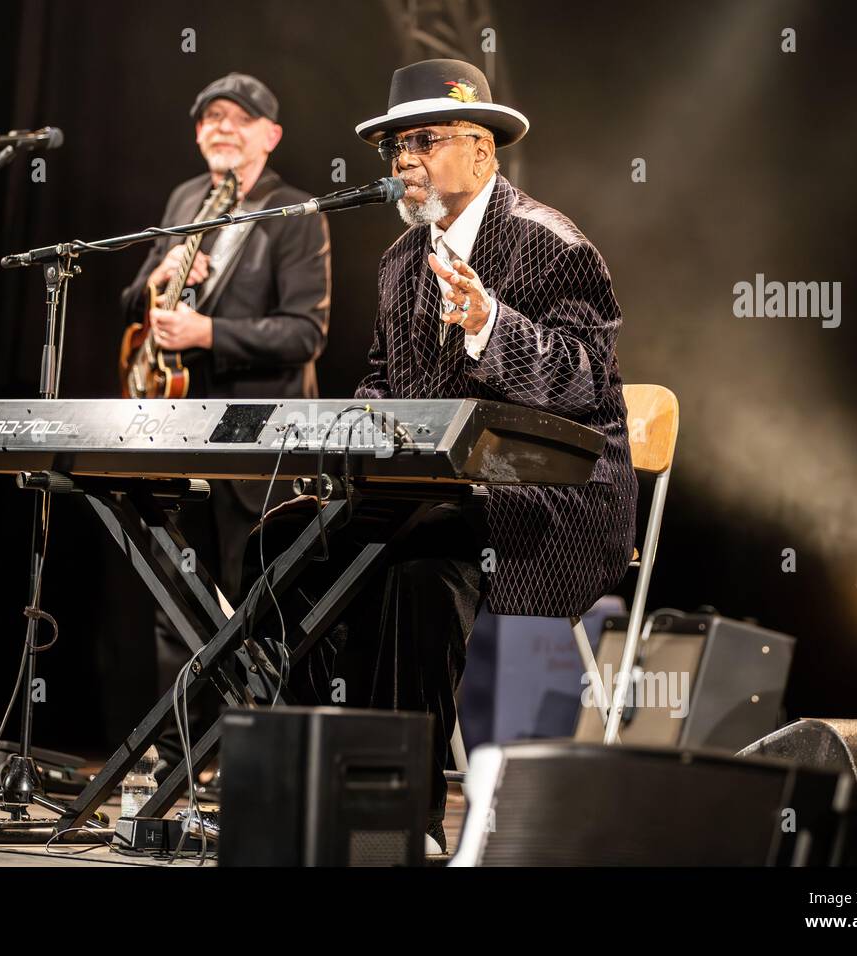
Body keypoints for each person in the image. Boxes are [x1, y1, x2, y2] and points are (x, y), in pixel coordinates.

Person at [257, 58, 637, 853]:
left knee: (414, 557)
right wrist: (349, 435)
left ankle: (403, 813)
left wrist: (489, 323)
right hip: (430, 491)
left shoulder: (554, 245)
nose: (404, 162)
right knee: (287, 542)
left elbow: (582, 383)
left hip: (551, 502)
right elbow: (378, 381)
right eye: (395, 147)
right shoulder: (401, 262)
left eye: (423, 140)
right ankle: (323, 780)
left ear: (483, 150)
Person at [119, 72, 331, 784]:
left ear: (269, 135)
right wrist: (161, 279)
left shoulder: (295, 210)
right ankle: (181, 761)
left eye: (239, 118)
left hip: (258, 443)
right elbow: (130, 301)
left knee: (258, 607)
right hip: (178, 433)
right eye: (210, 117)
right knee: (176, 603)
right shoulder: (185, 201)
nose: (221, 127)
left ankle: (262, 767)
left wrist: (210, 331)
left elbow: (306, 333)